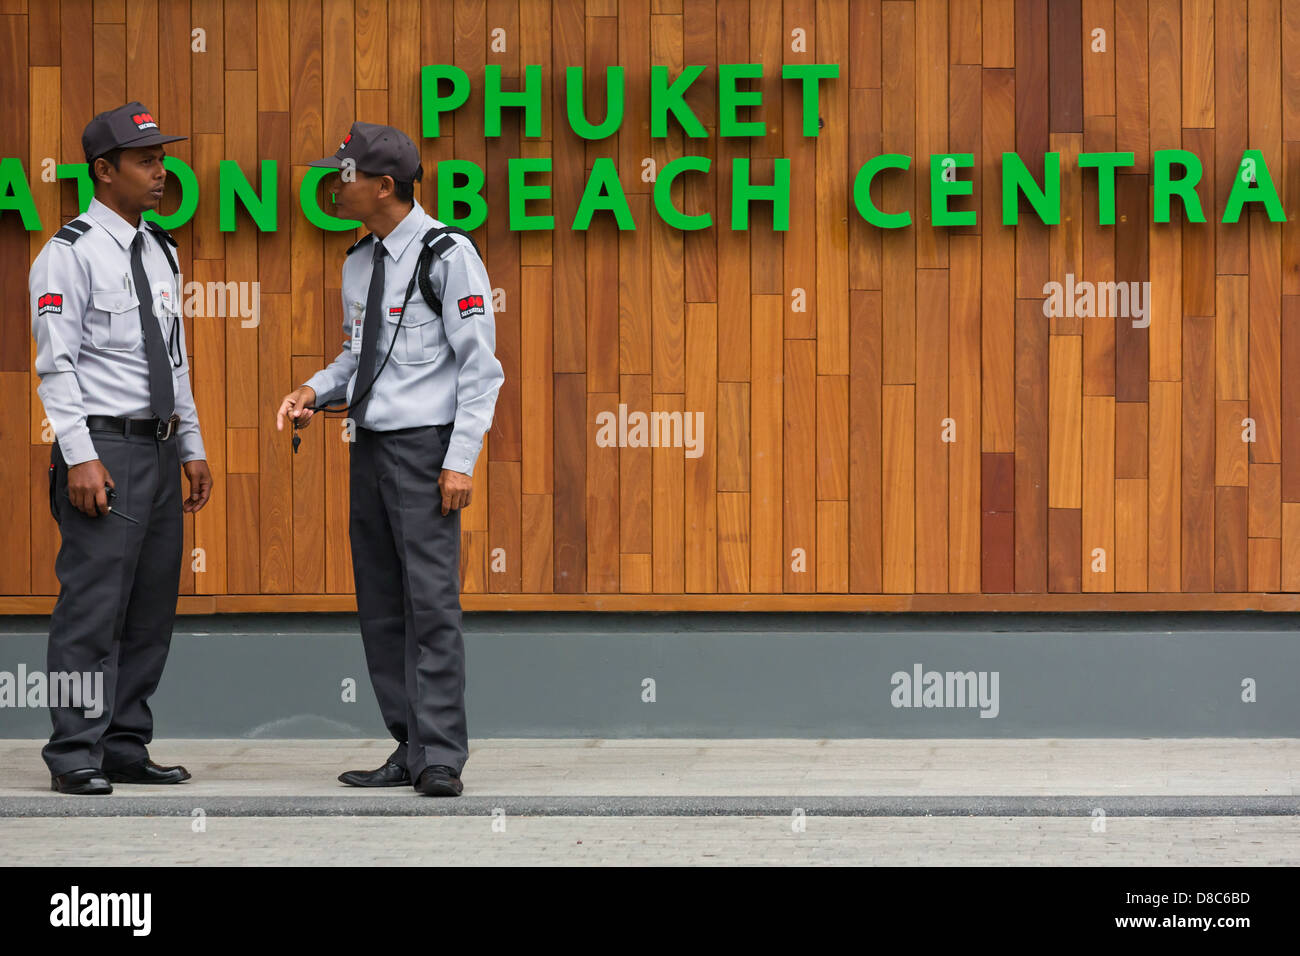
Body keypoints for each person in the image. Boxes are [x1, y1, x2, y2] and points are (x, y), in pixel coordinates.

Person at [276, 122, 503, 797]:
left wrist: (460, 460)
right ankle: (409, 743)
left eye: (342, 175)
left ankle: (441, 757)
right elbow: (359, 356)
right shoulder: (358, 261)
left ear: (383, 185)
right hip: (369, 449)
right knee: (380, 603)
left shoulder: (447, 256)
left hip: (426, 451)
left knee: (429, 605)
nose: (331, 185)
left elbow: (481, 371)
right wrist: (313, 391)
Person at [29, 102, 213, 795]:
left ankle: (124, 743)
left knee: (148, 605)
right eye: (145, 160)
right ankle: (75, 749)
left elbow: (175, 359)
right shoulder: (68, 254)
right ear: (104, 171)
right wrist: (78, 454)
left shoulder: (160, 249)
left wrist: (190, 443)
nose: (160, 171)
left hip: (160, 451)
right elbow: (56, 366)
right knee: (93, 606)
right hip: (104, 447)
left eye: (161, 158)